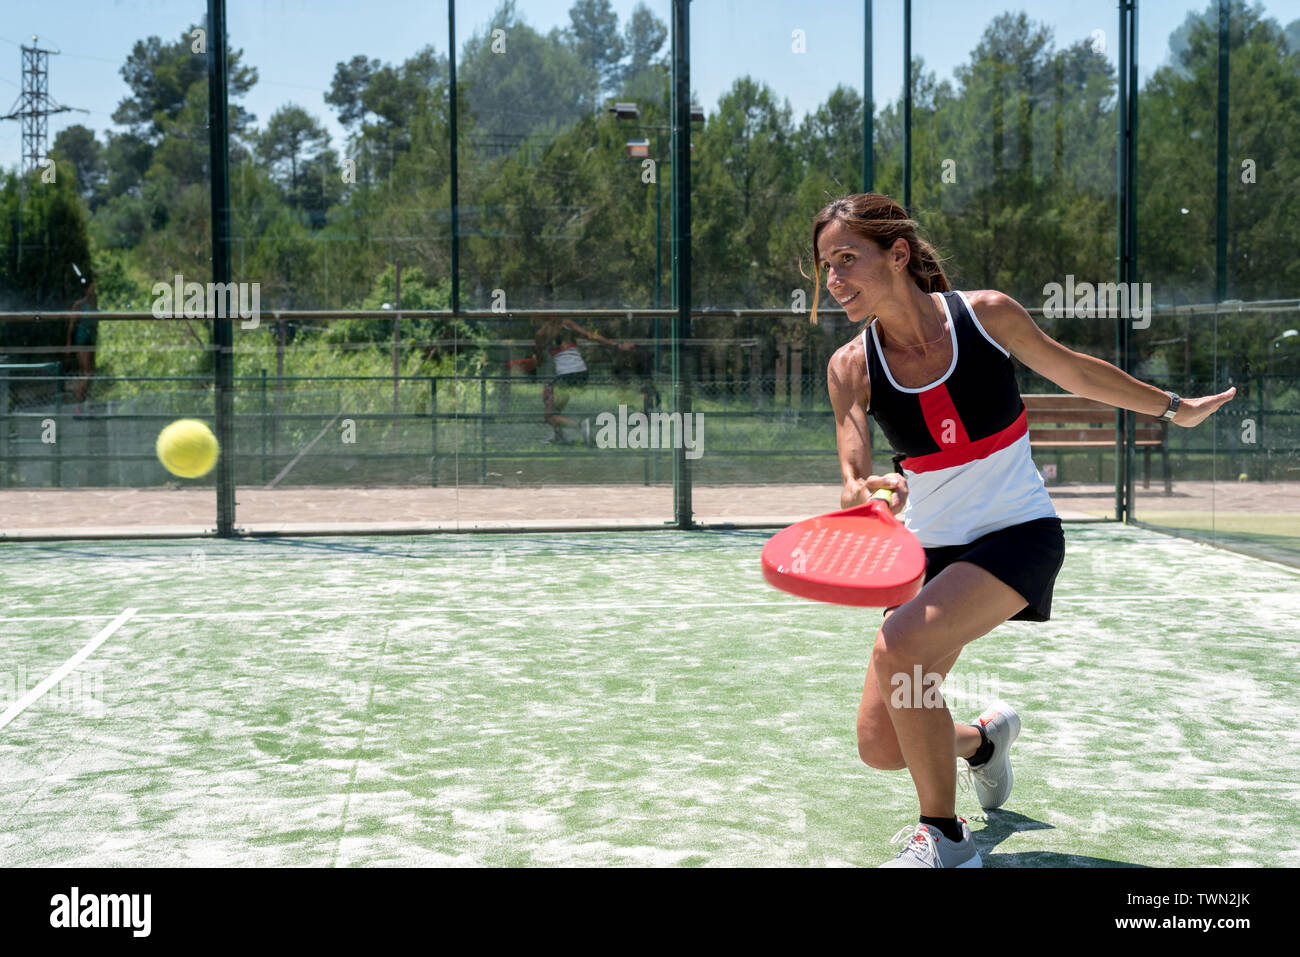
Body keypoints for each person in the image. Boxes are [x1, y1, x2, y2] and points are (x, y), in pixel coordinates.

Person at [813, 193, 1235, 868]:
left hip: (1019, 533)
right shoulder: (850, 367)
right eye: (824, 266)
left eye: (845, 259)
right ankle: (983, 741)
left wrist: (1173, 408)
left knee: (900, 643)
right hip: (930, 553)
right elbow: (852, 469)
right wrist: (871, 490)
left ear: (896, 254)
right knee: (882, 744)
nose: (833, 279)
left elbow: (1073, 370)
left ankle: (946, 838)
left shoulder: (985, 316)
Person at [531, 317, 627, 445]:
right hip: (581, 373)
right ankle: (558, 435)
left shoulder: (541, 334)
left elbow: (539, 362)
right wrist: (614, 345)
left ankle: (580, 426)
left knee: (550, 416)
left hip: (567, 374)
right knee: (547, 394)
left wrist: (534, 358)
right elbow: (590, 335)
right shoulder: (566, 324)